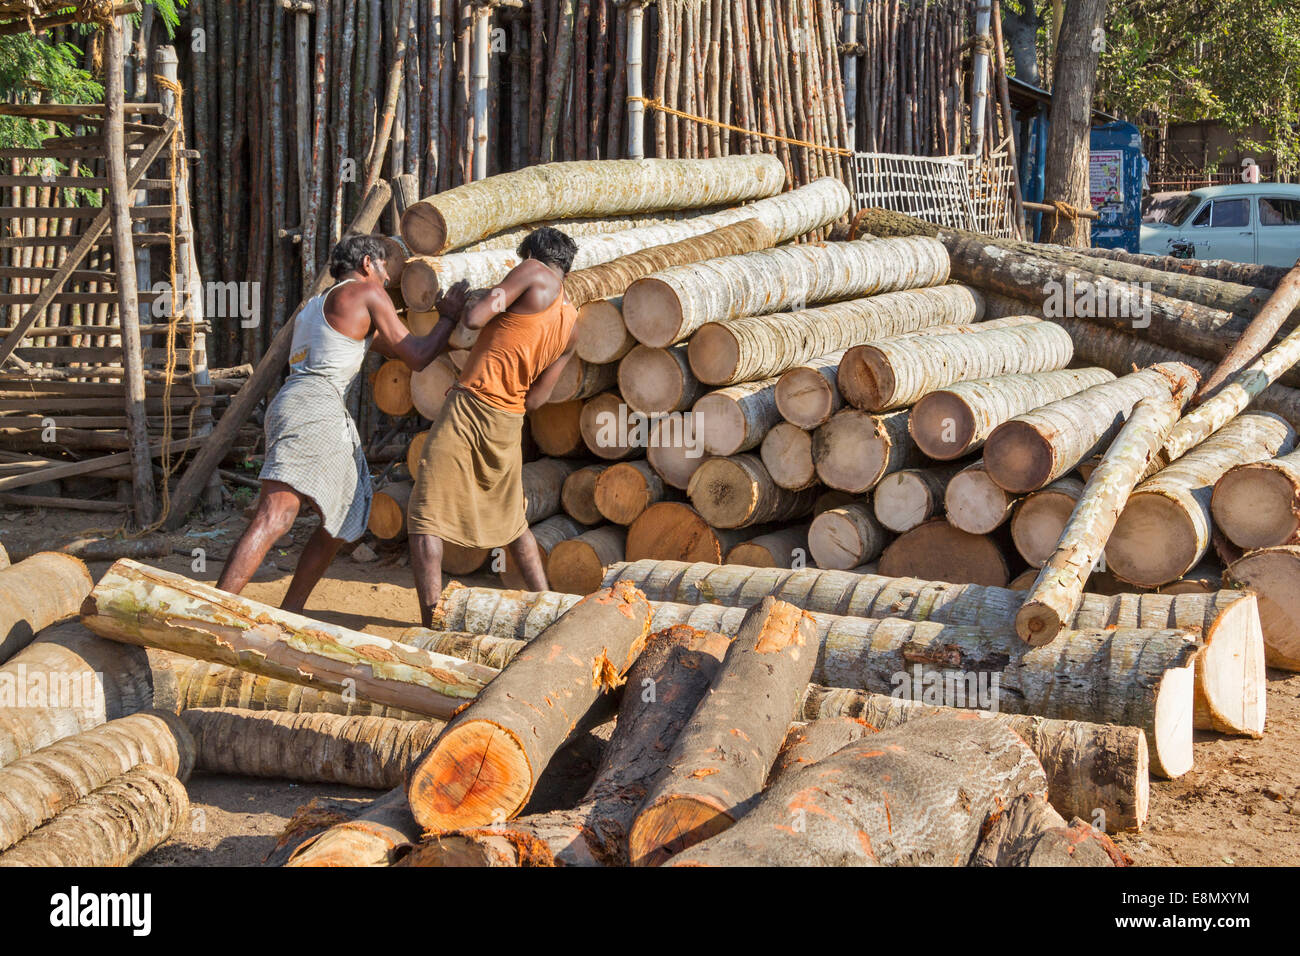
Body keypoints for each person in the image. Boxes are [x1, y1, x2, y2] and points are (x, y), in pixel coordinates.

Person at [217, 234, 464, 611]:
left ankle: (291, 612)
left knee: (342, 517)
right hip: (316, 406)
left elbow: (401, 344)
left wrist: (454, 337)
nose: (386, 279)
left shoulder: (317, 306)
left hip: (295, 403)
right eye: (384, 268)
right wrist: (449, 315)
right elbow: (417, 356)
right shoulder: (367, 293)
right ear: (368, 263)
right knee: (277, 515)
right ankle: (210, 609)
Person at [407, 226, 580, 626]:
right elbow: (537, 398)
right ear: (566, 271)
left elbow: (474, 317)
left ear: (532, 256)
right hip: (509, 421)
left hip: (470, 407)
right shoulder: (571, 324)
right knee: (512, 522)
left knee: (424, 511)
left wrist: (468, 300)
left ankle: (430, 619)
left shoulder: (533, 271)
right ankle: (549, 610)